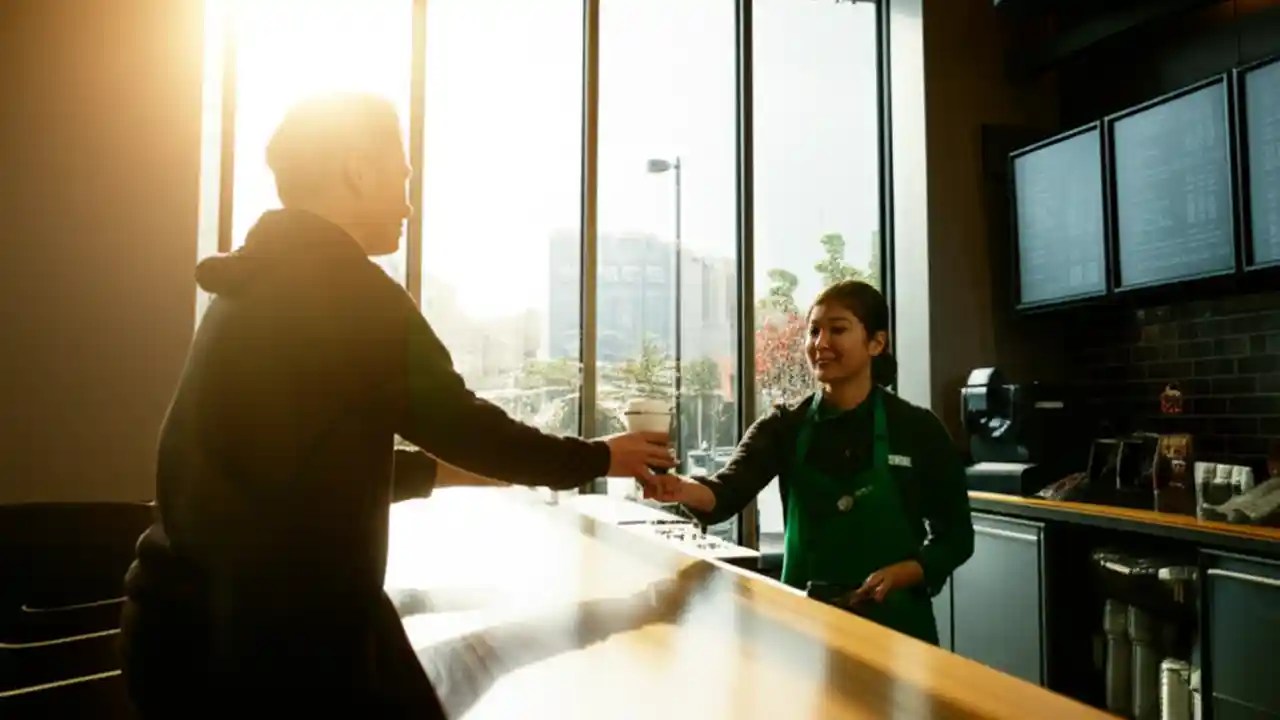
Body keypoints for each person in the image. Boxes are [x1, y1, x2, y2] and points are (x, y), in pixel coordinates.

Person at [118, 92, 673, 717]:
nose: (409, 203)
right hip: (260, 665)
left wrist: (479, 480)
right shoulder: (351, 294)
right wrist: (601, 455)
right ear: (358, 169)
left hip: (174, 639)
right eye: (402, 178)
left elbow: (312, 465)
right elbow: (466, 426)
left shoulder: (250, 286)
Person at [649, 280, 974, 645]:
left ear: (876, 343)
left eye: (837, 329)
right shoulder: (785, 426)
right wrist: (680, 488)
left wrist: (908, 571)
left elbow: (957, 537)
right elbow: (725, 493)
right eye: (814, 331)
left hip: (899, 629)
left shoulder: (917, 428)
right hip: (805, 628)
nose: (820, 344)